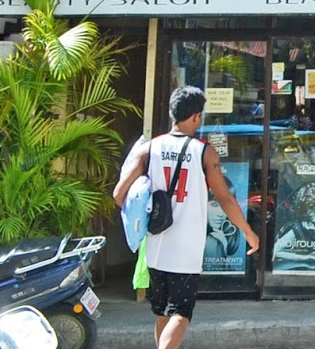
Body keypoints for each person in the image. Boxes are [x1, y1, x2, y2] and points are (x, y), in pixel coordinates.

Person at [112, 86, 261, 349]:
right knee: (181, 314)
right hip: (187, 249)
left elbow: (119, 194)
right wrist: (248, 232)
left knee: (163, 314)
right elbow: (225, 198)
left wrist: (142, 220)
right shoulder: (204, 152)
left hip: (156, 246)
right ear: (195, 116)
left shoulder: (149, 149)